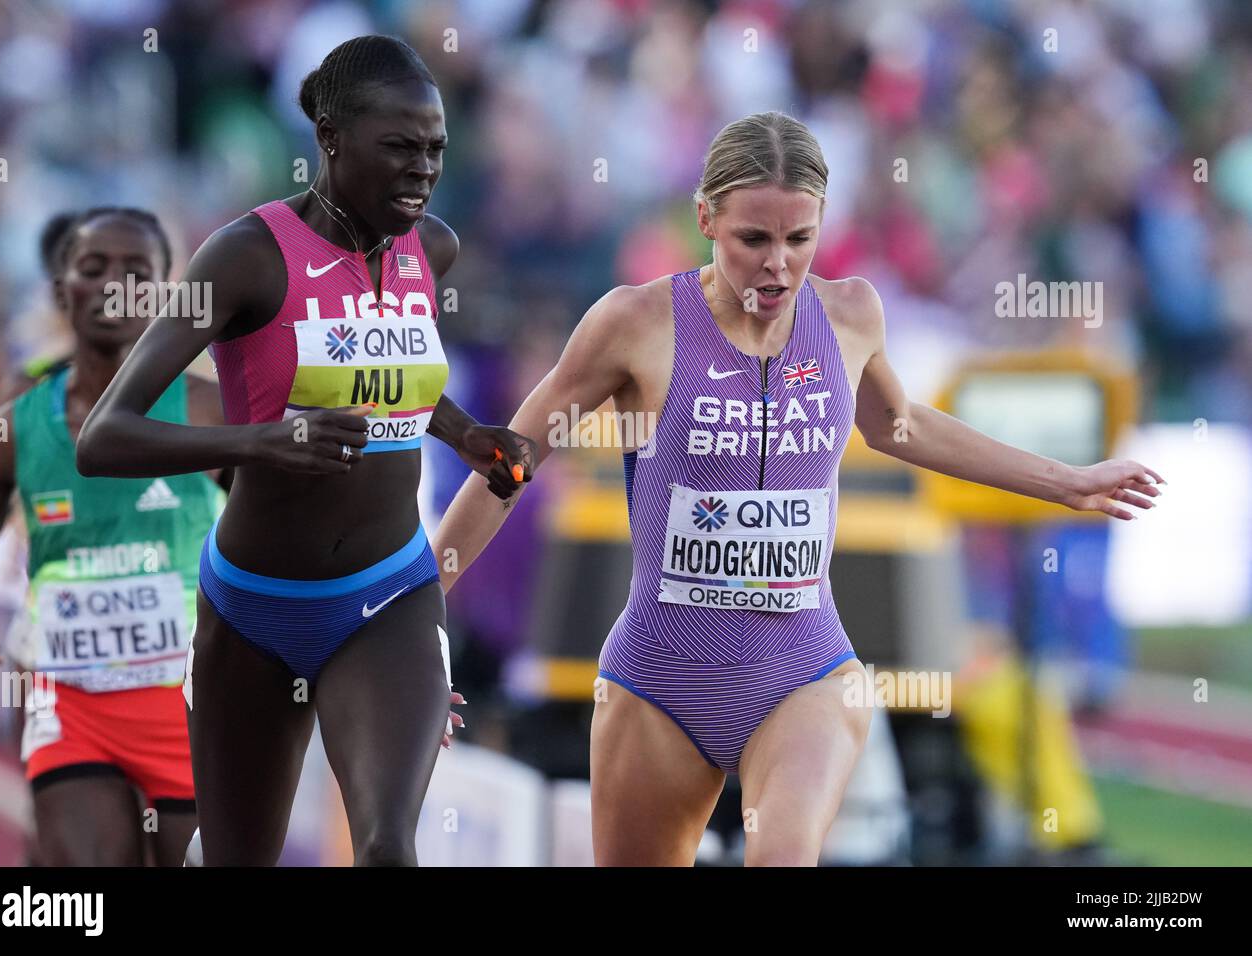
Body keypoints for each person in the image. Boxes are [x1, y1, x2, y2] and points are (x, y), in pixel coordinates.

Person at [432, 111, 1164, 866]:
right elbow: (508, 467)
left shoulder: (850, 315)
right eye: (754, 240)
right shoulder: (634, 323)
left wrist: (1066, 481)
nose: (778, 265)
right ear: (705, 218)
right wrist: (424, 614)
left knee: (783, 854)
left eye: (799, 240)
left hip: (804, 672)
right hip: (656, 679)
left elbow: (901, 427)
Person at [77, 35, 534, 866]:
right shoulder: (246, 256)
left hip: (389, 593)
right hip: (253, 606)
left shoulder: (431, 248)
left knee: (389, 849)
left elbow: (393, 379)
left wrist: (467, 434)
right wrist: (264, 441)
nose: (423, 167)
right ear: (328, 138)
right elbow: (103, 437)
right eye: (397, 146)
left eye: (434, 148)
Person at [0, 207, 225, 865]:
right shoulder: (14, 424)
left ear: (167, 293)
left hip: (188, 711)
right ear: (59, 290)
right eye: (93, 268)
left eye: (137, 271)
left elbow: (290, 559)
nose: (115, 284)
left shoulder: (211, 413)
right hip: (67, 703)